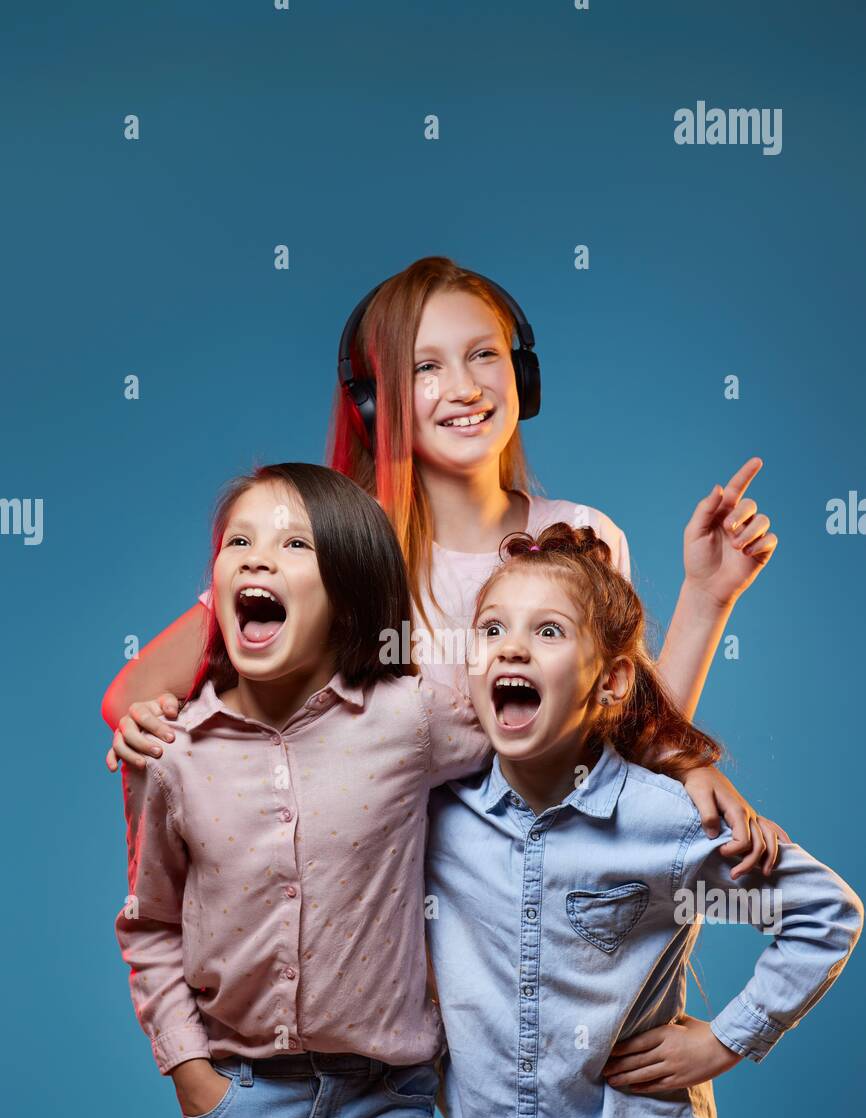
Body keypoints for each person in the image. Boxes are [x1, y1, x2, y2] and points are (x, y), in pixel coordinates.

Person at [101, 256, 786, 877]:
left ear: (522, 376)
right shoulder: (339, 545)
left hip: (531, 927)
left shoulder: (582, 533)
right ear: (374, 401)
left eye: (483, 355)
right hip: (375, 942)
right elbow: (134, 689)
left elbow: (619, 734)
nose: (462, 387)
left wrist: (708, 595)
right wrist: (148, 719)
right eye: (425, 368)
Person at [424, 523, 863, 1118]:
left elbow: (825, 913)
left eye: (547, 632)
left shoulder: (664, 819)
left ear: (613, 686)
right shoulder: (435, 817)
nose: (512, 649)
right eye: (492, 630)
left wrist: (727, 1039)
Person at [114, 462, 489, 1118]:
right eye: (238, 543)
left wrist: (685, 759)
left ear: (349, 593)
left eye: (294, 546)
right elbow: (149, 925)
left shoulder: (412, 717)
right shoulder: (172, 754)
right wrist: (194, 1079)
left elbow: (556, 710)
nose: (257, 560)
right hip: (235, 1112)